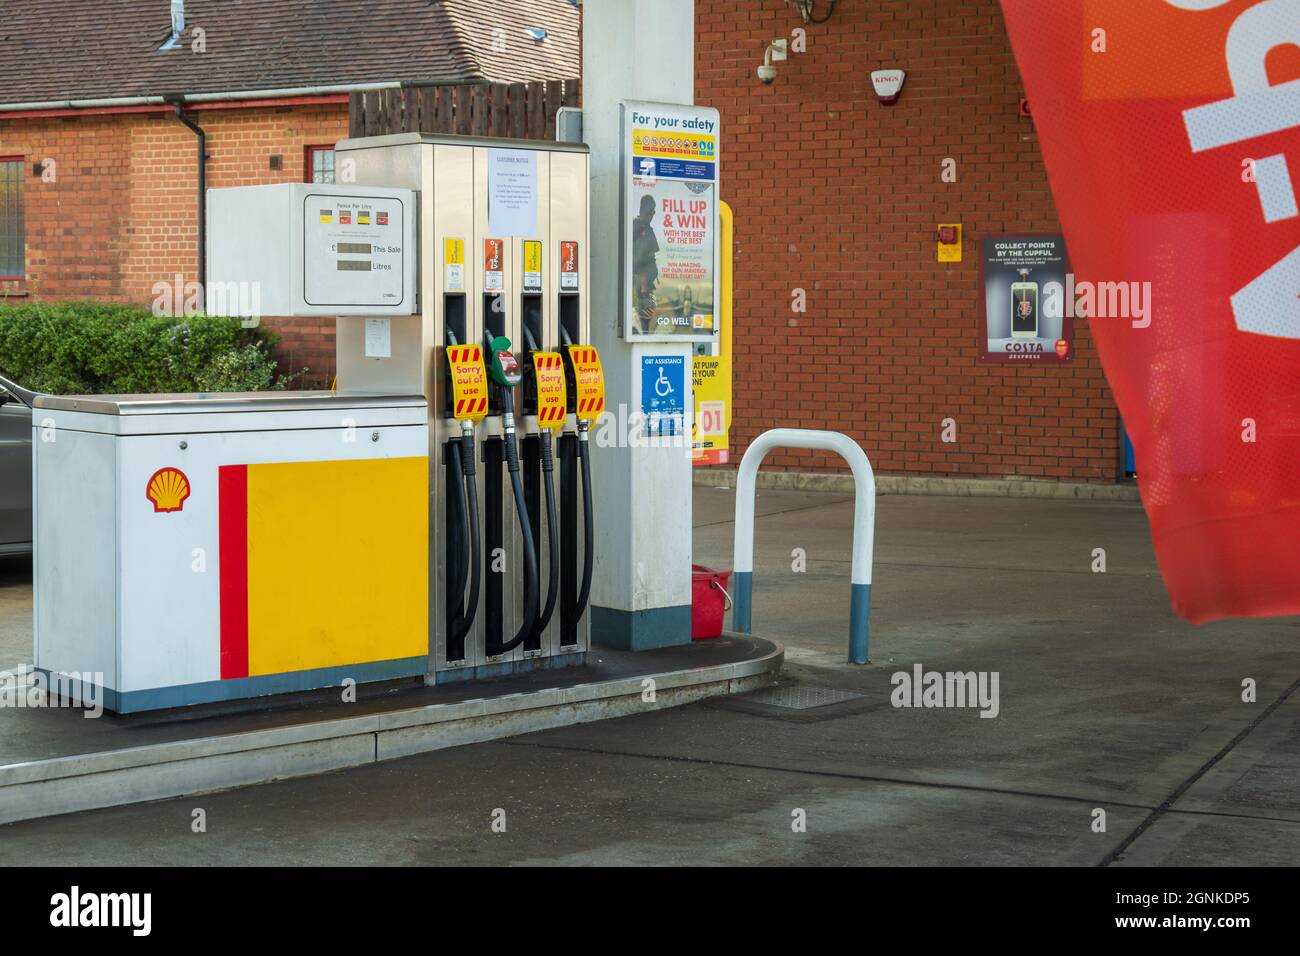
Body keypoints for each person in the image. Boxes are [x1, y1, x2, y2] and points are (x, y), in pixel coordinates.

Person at [631, 194, 660, 334]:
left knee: (647, 320)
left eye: (652, 211)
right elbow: (640, 259)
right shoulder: (639, 228)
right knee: (644, 321)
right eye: (650, 211)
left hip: (645, 286)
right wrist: (643, 284)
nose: (652, 214)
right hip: (642, 289)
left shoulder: (644, 227)